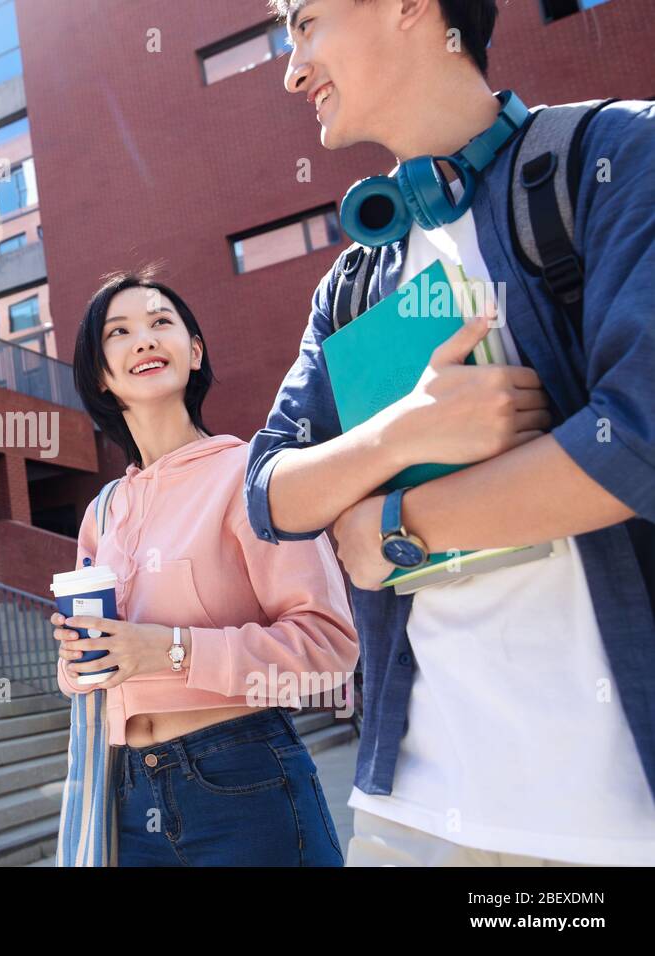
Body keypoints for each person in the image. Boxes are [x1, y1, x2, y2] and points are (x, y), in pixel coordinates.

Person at [247, 0, 655, 865]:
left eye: (306, 22)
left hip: (617, 826)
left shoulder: (618, 158)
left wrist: (390, 529)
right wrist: (402, 433)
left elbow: (640, 447)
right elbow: (269, 490)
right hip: (411, 818)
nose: (291, 69)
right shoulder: (352, 283)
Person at [54, 270, 359, 866]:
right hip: (127, 797)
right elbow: (94, 675)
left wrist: (171, 650)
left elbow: (330, 649)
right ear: (99, 373)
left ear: (194, 352)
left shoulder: (253, 476)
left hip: (242, 779)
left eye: (161, 323)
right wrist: (76, 660)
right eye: (120, 331)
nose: (144, 340)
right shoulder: (103, 513)